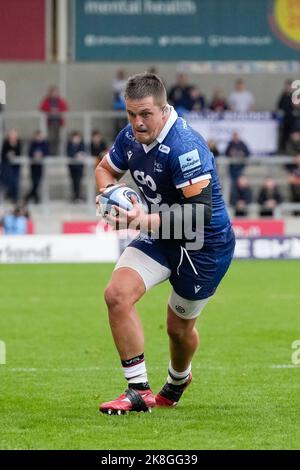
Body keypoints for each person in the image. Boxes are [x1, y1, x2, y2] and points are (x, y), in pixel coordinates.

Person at [95, 72, 235, 415]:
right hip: (160, 233)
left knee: (178, 328)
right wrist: (110, 197)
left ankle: (178, 379)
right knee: (117, 295)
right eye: (131, 114)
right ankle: (137, 390)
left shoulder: (186, 147)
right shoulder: (130, 136)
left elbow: (198, 214)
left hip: (203, 246)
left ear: (164, 108)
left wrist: (141, 219)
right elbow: (104, 169)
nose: (137, 123)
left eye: (145, 114)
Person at [39, 85, 69, 156]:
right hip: (50, 123)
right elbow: (42, 108)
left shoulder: (60, 100)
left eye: (56, 92)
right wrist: (50, 111)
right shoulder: (47, 100)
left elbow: (65, 108)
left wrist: (58, 111)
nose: (55, 94)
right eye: (53, 92)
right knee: (50, 138)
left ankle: (57, 153)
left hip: (58, 123)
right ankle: (51, 153)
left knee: (58, 139)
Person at [25, 130, 49, 204]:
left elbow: (47, 152)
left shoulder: (44, 144)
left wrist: (41, 155)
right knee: (34, 182)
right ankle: (35, 198)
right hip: (33, 166)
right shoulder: (32, 144)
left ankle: (29, 197)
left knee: (37, 182)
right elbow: (29, 153)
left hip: (40, 166)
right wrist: (34, 155)